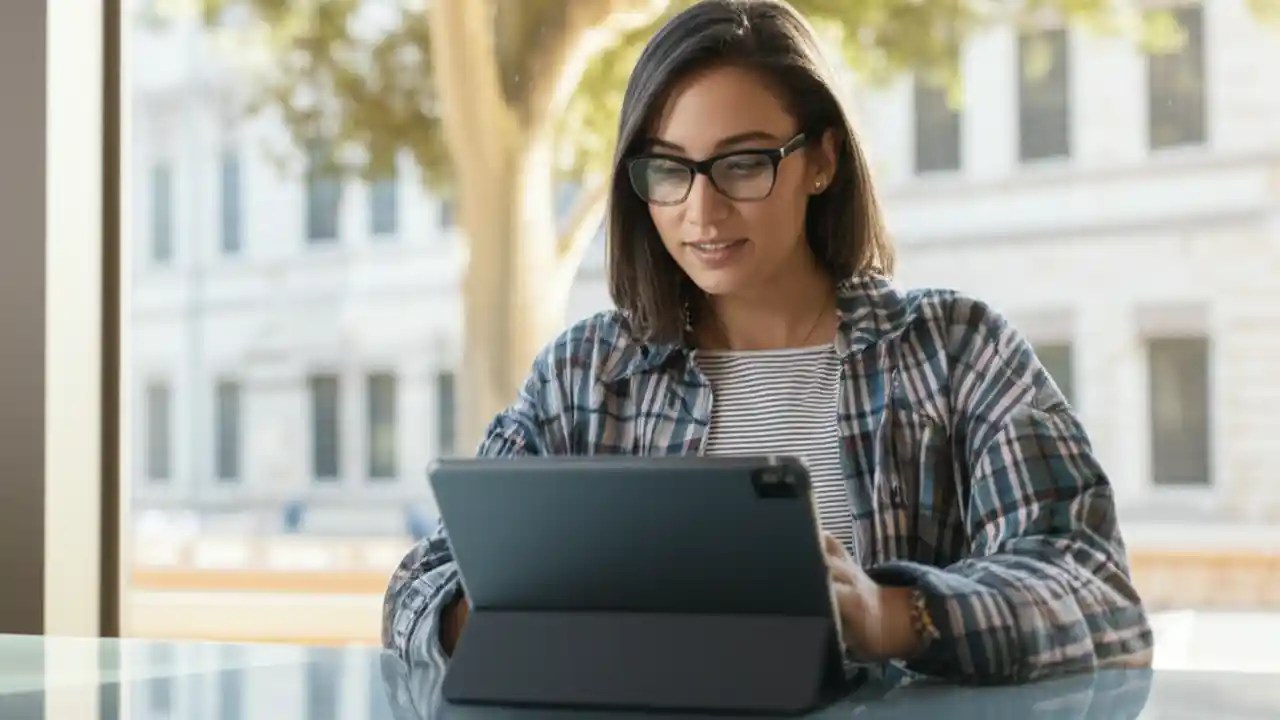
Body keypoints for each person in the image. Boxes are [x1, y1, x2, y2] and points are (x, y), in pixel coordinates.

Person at [383, 0, 1153, 683]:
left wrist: (892, 615)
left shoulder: (955, 351)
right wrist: (530, 620)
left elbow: (1094, 591)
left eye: (744, 163)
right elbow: (417, 591)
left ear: (820, 159)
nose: (702, 210)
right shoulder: (585, 376)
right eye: (669, 170)